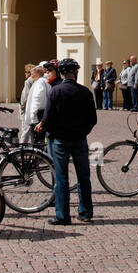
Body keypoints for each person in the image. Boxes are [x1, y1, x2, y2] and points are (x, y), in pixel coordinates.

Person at [33, 58, 97, 225]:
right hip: (79, 139)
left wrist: (52, 132)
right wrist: (83, 132)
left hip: (60, 140)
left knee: (61, 178)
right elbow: (92, 119)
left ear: (61, 73)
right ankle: (85, 212)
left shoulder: (55, 91)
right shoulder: (85, 92)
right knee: (84, 177)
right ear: (75, 73)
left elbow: (47, 118)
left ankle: (63, 215)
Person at [20, 64, 46, 138]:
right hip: (40, 111)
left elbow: (26, 97)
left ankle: (23, 147)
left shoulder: (33, 82)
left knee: (26, 129)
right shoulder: (45, 81)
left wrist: (23, 107)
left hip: (32, 110)